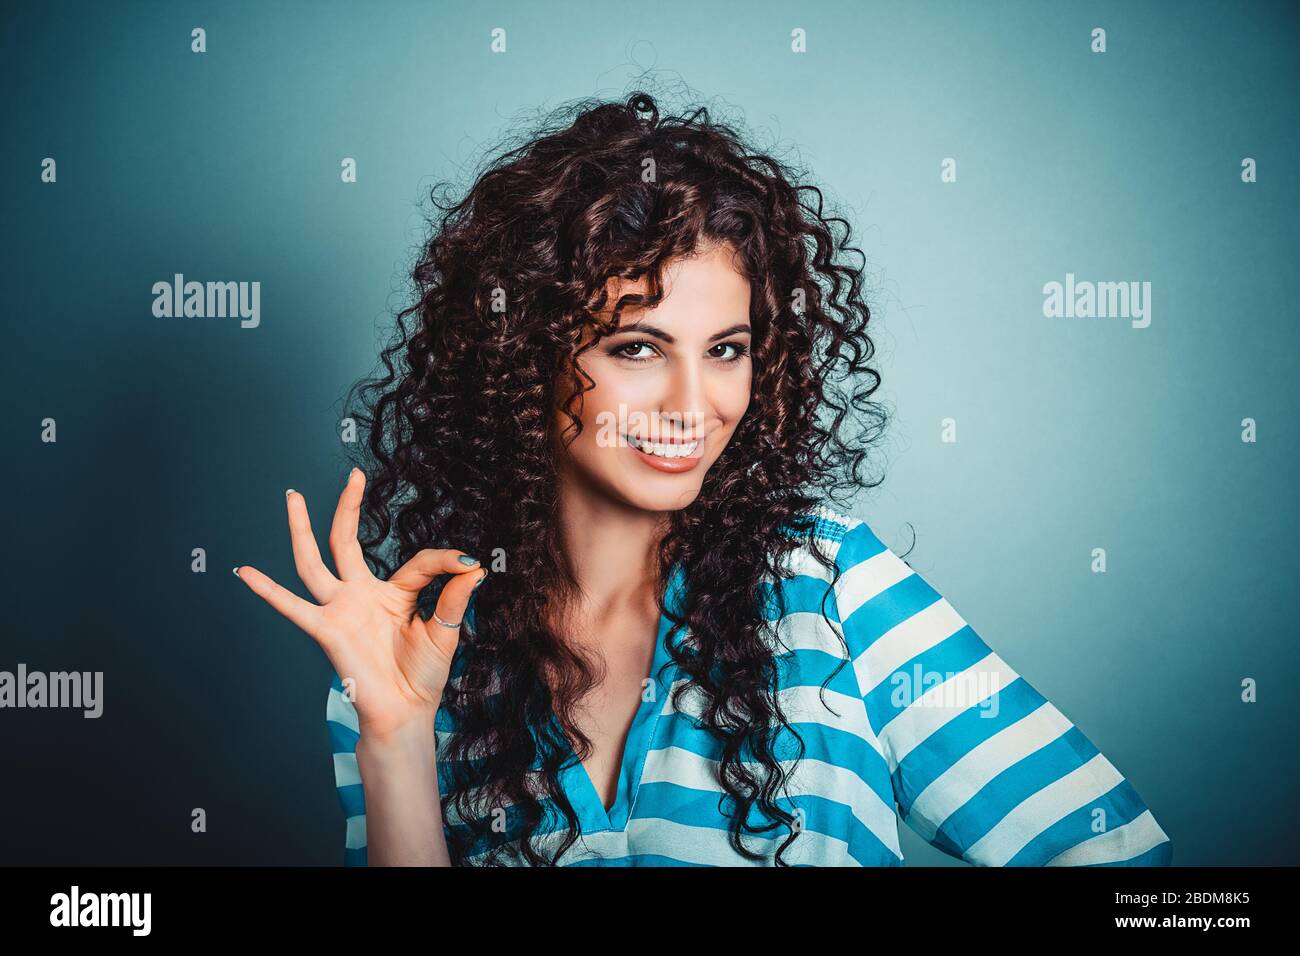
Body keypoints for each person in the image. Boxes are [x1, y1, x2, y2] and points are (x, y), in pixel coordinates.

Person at [236, 91, 1173, 867]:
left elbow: (1124, 862)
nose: (695, 401)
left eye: (726, 349)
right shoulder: (412, 652)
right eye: (639, 347)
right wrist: (397, 737)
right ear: (525, 359)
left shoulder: (828, 584)